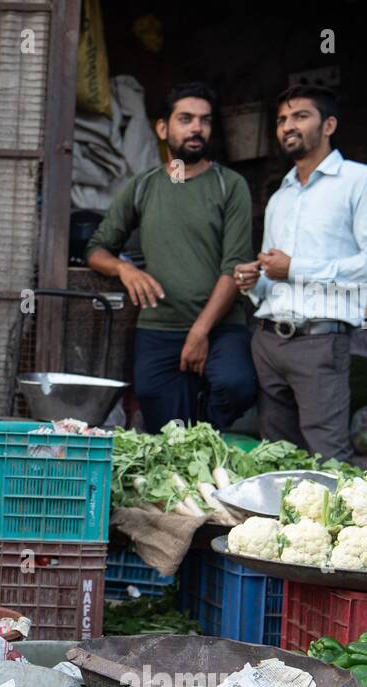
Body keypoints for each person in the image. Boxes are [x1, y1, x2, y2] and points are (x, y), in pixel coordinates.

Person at [234, 85, 367, 461]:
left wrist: (296, 268)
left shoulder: (362, 181)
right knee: (276, 456)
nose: (288, 126)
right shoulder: (281, 197)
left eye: (300, 116)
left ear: (329, 125)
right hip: (268, 341)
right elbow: (275, 276)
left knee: (328, 457)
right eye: (281, 120)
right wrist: (253, 282)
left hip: (320, 342)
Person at [86, 80, 257, 433]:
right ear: (162, 128)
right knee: (163, 424)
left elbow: (234, 267)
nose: (197, 128)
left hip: (222, 326)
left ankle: (209, 439)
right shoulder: (144, 185)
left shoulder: (230, 185)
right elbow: (96, 249)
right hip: (159, 326)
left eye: (205, 121)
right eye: (186, 119)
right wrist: (124, 269)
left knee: (235, 386)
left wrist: (200, 331)